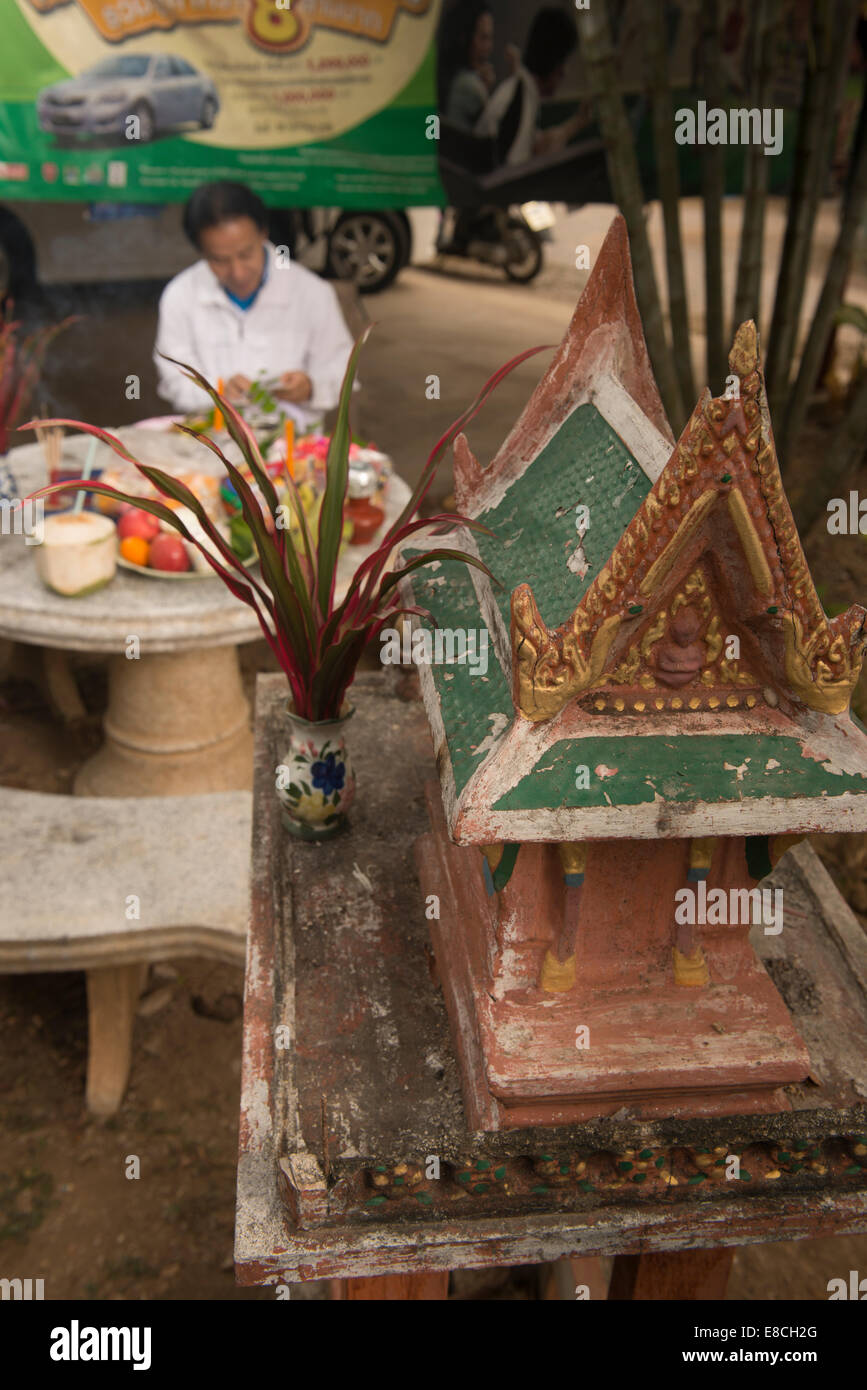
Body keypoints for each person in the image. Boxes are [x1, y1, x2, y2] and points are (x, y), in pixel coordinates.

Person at [153, 181, 354, 428]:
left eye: (246, 254)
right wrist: (216, 392)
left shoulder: (312, 292)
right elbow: (174, 381)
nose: (237, 272)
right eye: (220, 260)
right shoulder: (180, 295)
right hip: (216, 445)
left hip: (293, 449)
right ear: (201, 251)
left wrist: (312, 386)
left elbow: (342, 370)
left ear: (263, 233)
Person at [475, 8, 586, 168]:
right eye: (563, 62)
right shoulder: (519, 100)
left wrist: (578, 122)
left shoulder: (519, 89)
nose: (565, 72)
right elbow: (512, 174)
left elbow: (539, 142)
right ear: (555, 63)